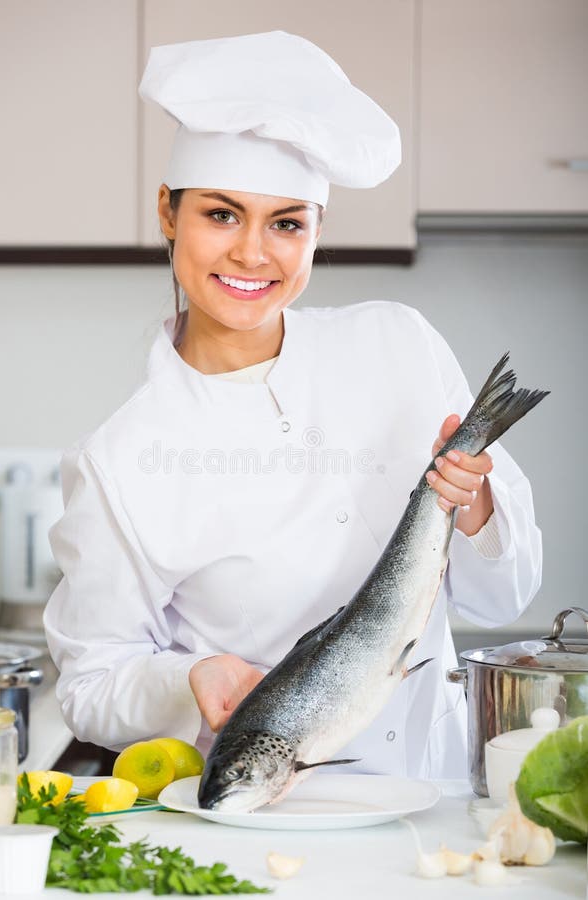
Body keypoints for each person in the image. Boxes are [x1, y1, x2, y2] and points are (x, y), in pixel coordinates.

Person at [43, 31, 542, 780]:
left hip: (429, 799)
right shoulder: (118, 458)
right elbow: (90, 684)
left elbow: (505, 596)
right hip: (266, 810)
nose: (252, 253)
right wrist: (190, 678)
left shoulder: (397, 343)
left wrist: (474, 509)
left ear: (315, 233)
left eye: (286, 223)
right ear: (167, 213)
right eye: (220, 214)